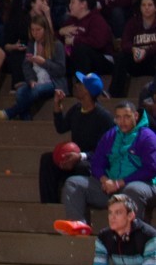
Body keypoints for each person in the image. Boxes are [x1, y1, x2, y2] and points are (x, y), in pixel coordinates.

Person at [61, 102, 156, 227]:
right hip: (111, 186)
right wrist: (104, 179)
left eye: (127, 116)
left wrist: (120, 182)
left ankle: (131, 233)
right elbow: (96, 162)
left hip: (143, 185)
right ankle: (77, 226)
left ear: (136, 116)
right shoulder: (110, 135)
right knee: (74, 183)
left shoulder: (147, 136)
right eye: (118, 117)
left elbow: (151, 169)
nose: (122, 121)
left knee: (132, 190)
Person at [40, 73, 114, 205]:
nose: (75, 85)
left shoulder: (104, 118)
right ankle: (49, 205)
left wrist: (80, 156)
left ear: (88, 91)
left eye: (80, 84)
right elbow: (61, 127)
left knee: (81, 167)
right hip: (73, 156)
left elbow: (105, 152)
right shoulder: (76, 109)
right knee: (47, 160)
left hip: (91, 161)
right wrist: (57, 105)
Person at [0, 15, 66, 121]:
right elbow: (26, 65)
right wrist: (31, 80)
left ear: (45, 29)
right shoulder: (32, 45)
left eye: (38, 30)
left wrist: (44, 62)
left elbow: (61, 70)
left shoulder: (57, 45)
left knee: (36, 90)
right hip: (37, 80)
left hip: (53, 82)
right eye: (32, 30)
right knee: (20, 92)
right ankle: (26, 121)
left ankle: (8, 113)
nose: (35, 33)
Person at [60, 0, 114, 80]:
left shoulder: (96, 19)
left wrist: (74, 40)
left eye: (72, 2)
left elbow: (98, 42)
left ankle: (82, 85)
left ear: (83, 4)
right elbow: (55, 40)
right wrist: (61, 32)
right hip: (80, 59)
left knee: (80, 49)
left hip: (102, 59)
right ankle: (66, 91)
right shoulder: (71, 21)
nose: (69, 5)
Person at [111, 0, 156, 98]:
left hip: (152, 62)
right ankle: (114, 94)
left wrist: (146, 51)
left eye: (150, 5)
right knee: (121, 57)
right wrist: (133, 49)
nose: (146, 8)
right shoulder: (132, 23)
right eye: (143, 5)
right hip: (136, 61)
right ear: (140, 7)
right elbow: (124, 42)